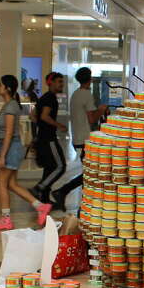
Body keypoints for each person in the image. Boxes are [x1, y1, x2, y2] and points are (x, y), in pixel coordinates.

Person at [0, 74, 52, 231]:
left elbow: (9, 133)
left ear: (7, 88)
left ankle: (6, 219)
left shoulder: (10, 106)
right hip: (11, 148)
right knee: (11, 184)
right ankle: (40, 206)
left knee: (1, 183)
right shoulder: (10, 105)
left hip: (10, 149)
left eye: (0, 84)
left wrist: (2, 156)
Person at [53, 66, 107, 213]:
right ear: (90, 79)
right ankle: (64, 191)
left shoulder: (75, 94)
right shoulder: (86, 95)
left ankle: (83, 204)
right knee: (90, 174)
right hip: (86, 139)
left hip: (77, 137)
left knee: (88, 172)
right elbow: (91, 119)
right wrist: (101, 110)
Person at [31, 71, 70, 207]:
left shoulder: (44, 97)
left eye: (62, 82)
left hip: (42, 137)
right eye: (59, 82)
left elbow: (33, 116)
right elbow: (44, 116)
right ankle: (39, 188)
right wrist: (59, 125)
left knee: (49, 168)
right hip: (49, 138)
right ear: (51, 83)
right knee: (60, 166)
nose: (61, 84)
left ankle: (44, 199)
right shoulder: (50, 98)